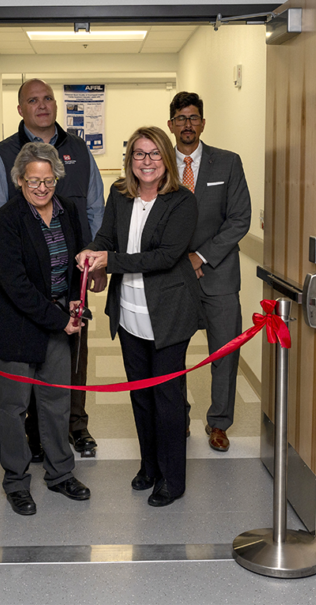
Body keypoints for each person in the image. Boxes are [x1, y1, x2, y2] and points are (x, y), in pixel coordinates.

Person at [0, 78, 106, 459]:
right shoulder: (2, 155)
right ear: (20, 109)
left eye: (48, 97)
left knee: (69, 364)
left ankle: (73, 430)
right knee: (23, 378)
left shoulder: (79, 150)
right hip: (25, 291)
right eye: (32, 100)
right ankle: (31, 446)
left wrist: (96, 265)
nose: (42, 104)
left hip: (71, 283)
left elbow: (95, 209)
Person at [76, 127, 202, 507]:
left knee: (167, 398)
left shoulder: (182, 202)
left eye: (154, 154)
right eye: (138, 154)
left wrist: (109, 261)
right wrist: (92, 252)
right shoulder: (119, 195)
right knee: (141, 396)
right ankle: (149, 467)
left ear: (166, 158)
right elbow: (107, 237)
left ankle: (172, 478)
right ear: (130, 160)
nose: (146, 161)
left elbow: (165, 257)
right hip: (129, 312)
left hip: (168, 314)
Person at [0, 143, 91, 516]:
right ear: (19, 180)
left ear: (57, 178)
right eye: (34, 180)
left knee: (56, 405)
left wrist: (77, 299)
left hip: (58, 324)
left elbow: (78, 261)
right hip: (15, 328)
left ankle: (61, 474)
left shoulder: (70, 212)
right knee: (14, 409)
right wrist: (60, 318)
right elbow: (16, 286)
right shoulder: (6, 221)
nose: (42, 187)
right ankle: (15, 481)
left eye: (48, 180)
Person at [167, 92, 251, 453]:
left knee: (224, 354)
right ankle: (178, 417)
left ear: (203, 122)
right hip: (171, 278)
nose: (188, 124)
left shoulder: (228, 163)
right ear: (170, 124)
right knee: (171, 353)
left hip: (218, 276)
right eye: (181, 118)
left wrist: (200, 257)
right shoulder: (158, 163)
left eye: (194, 117)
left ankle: (219, 422)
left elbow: (239, 219)